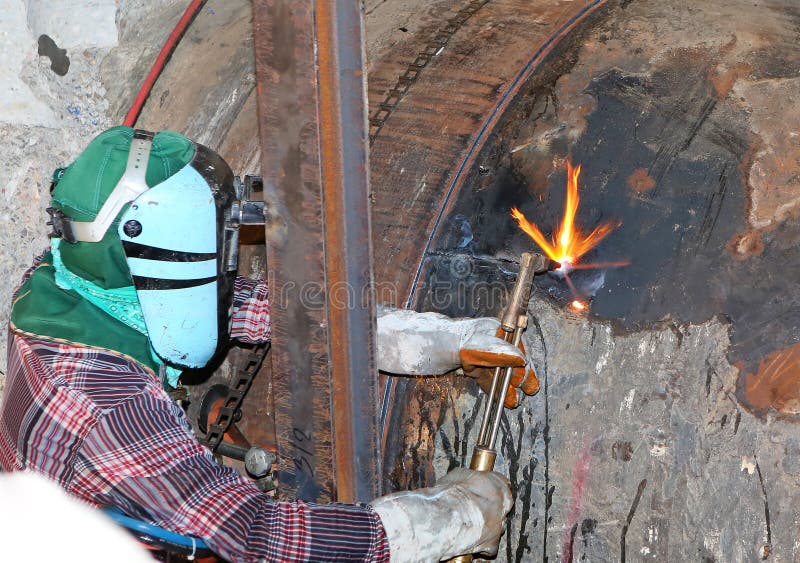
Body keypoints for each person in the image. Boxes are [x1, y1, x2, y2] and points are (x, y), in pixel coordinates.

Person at [0, 127, 538, 562]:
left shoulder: (74, 280)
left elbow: (258, 308)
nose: (224, 257)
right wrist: (448, 519)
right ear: (158, 247)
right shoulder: (105, 405)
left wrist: (441, 341)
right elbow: (258, 539)